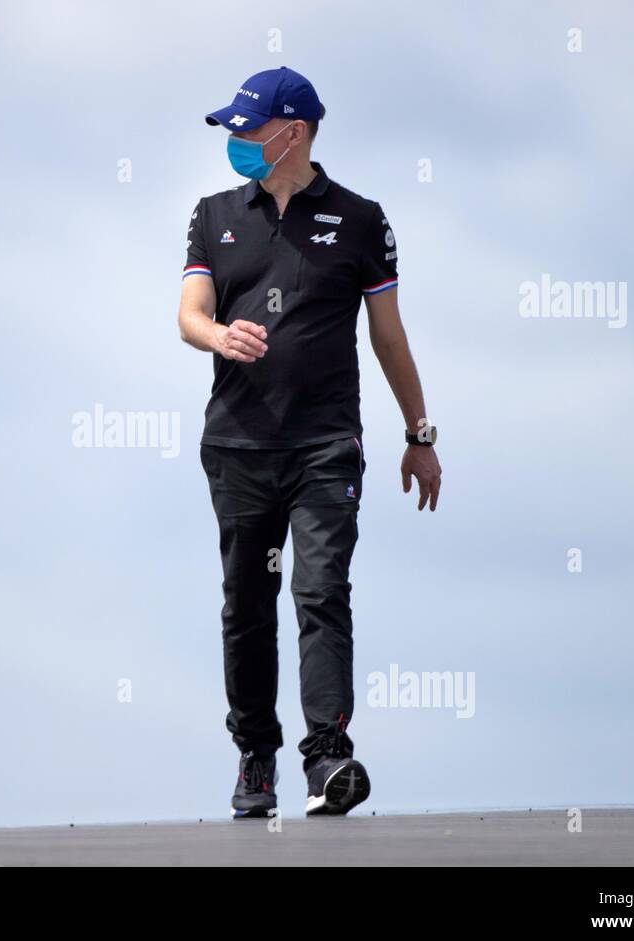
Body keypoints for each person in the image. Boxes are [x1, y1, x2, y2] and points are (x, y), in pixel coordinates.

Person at [177, 67, 442, 818]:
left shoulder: (360, 220)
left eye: (247, 128)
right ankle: (254, 756)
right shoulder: (213, 214)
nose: (234, 140)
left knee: (321, 591)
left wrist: (419, 433)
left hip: (327, 443)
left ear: (293, 131)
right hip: (237, 445)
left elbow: (388, 336)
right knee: (247, 603)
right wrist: (219, 335)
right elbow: (188, 313)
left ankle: (328, 756)